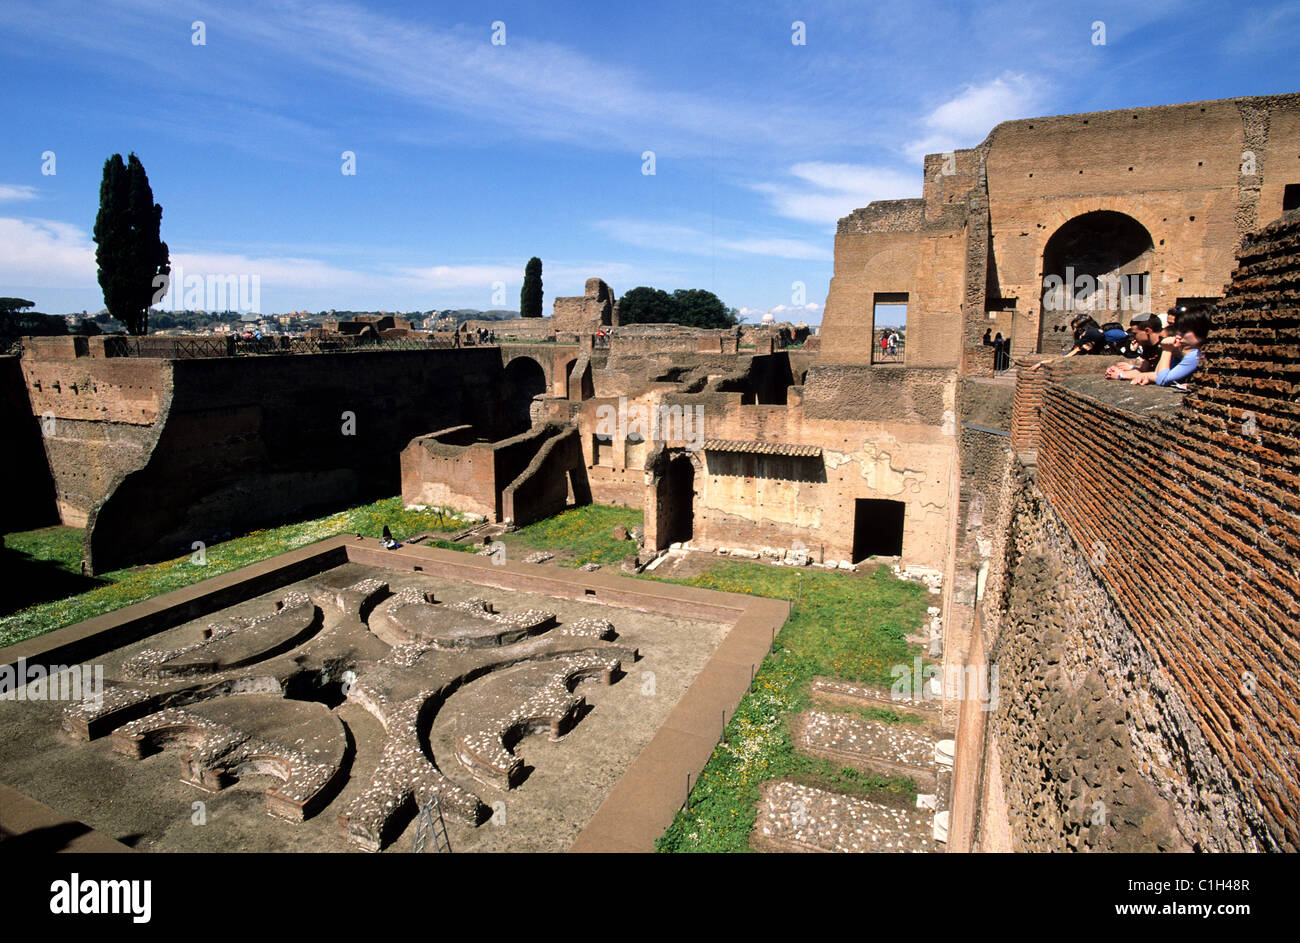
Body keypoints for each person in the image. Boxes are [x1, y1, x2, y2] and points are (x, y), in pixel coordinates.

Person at [1130, 310, 1210, 386]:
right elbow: (1158, 374)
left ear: (1202, 332)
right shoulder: (1192, 354)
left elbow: (1162, 379)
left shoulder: (1195, 354)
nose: (1178, 336)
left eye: (1184, 332)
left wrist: (1167, 350)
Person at [1106, 313, 1164, 379]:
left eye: (1135, 334)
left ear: (1147, 331)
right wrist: (1116, 372)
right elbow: (1144, 370)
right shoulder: (1148, 346)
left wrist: (1121, 375)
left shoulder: (1166, 346)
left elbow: (1159, 375)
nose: (1133, 338)